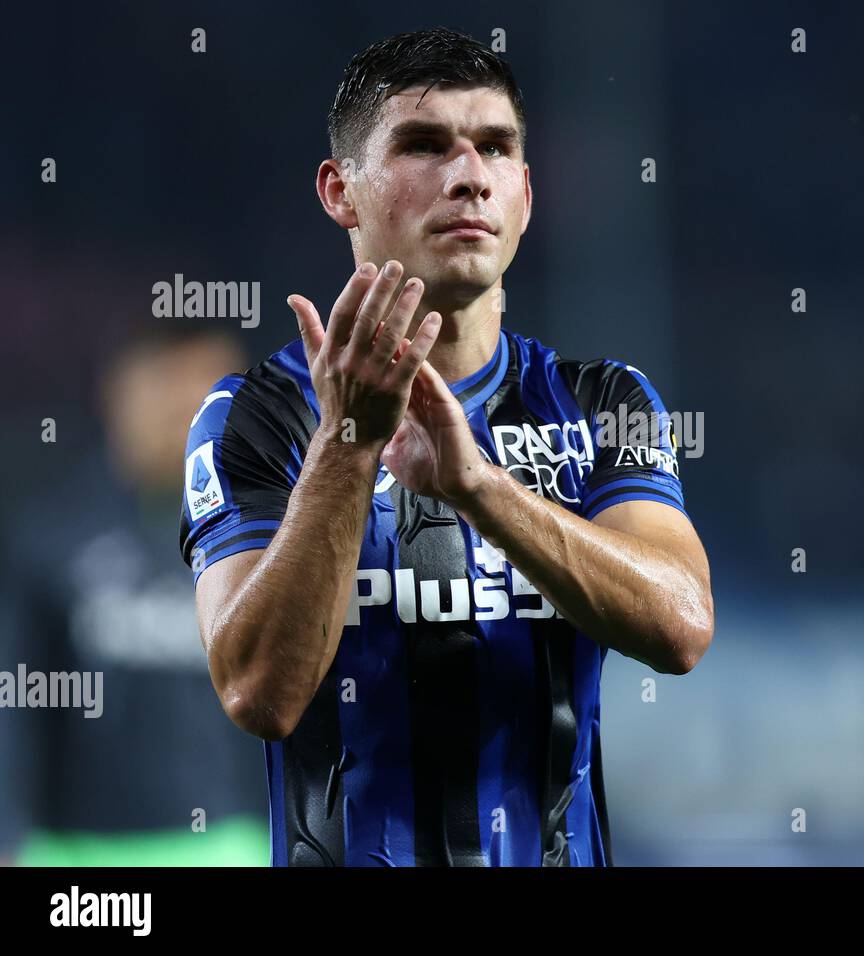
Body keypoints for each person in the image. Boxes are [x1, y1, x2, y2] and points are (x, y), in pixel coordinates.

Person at [180, 27, 713, 867]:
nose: (469, 175)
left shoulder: (603, 400)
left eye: (495, 148)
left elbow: (681, 627)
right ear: (340, 191)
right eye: (424, 146)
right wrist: (350, 444)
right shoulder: (256, 414)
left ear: (526, 196)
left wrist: (482, 493)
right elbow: (257, 691)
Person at [0, 327, 266, 866]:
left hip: (230, 847)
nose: (188, 415)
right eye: (166, 387)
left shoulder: (268, 539)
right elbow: (13, 704)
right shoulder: (49, 535)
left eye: (211, 393)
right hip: (74, 854)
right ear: (119, 393)